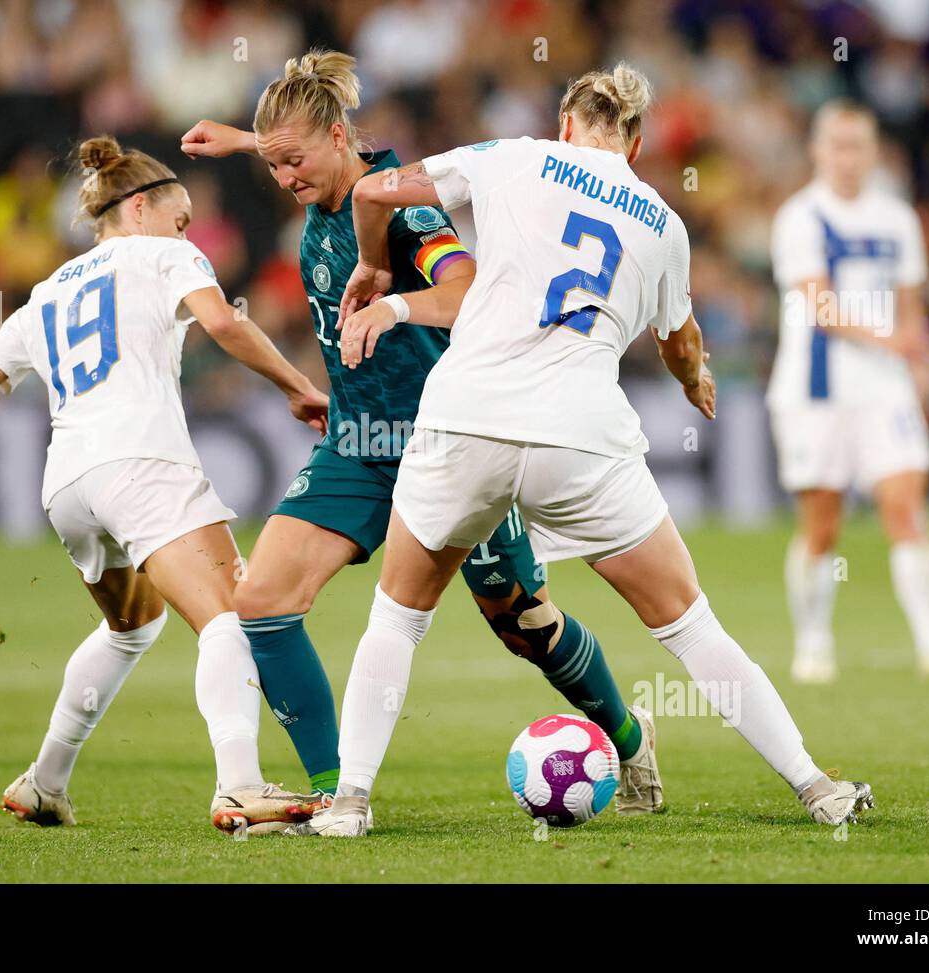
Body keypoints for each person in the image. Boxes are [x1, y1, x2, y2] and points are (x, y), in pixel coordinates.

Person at [306, 64, 873, 837]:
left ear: (566, 125)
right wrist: (694, 380)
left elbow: (373, 191)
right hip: (580, 434)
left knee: (399, 615)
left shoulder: (515, 155)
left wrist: (374, 266)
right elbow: (680, 340)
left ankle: (350, 802)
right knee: (690, 624)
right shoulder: (663, 223)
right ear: (633, 144)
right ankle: (817, 788)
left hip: (468, 416)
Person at [180, 49, 663, 816]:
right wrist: (248, 141)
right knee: (263, 600)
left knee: (523, 624)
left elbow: (465, 289)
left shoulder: (404, 209)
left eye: (293, 162)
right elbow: (306, 149)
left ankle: (630, 740)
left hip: (452, 439)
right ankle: (333, 793)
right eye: (272, 164)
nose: (284, 179)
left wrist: (393, 307)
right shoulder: (324, 180)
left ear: (339, 137)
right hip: (357, 442)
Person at [0, 136, 330, 834]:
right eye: (181, 219)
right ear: (140, 207)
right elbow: (223, 322)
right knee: (230, 615)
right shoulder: (164, 255)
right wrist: (296, 385)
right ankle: (238, 786)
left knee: (132, 625)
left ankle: (44, 781)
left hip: (69, 484)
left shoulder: (46, 292)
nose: (187, 234)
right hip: (141, 461)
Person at [768, 100, 929, 684]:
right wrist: (893, 342)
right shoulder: (801, 217)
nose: (848, 157)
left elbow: (911, 307)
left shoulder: (897, 219)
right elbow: (820, 305)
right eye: (837, 144)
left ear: (873, 151)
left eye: (857, 145)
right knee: (822, 524)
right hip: (815, 392)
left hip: (885, 390)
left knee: (906, 506)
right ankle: (813, 644)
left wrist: (919, 374)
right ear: (817, 149)